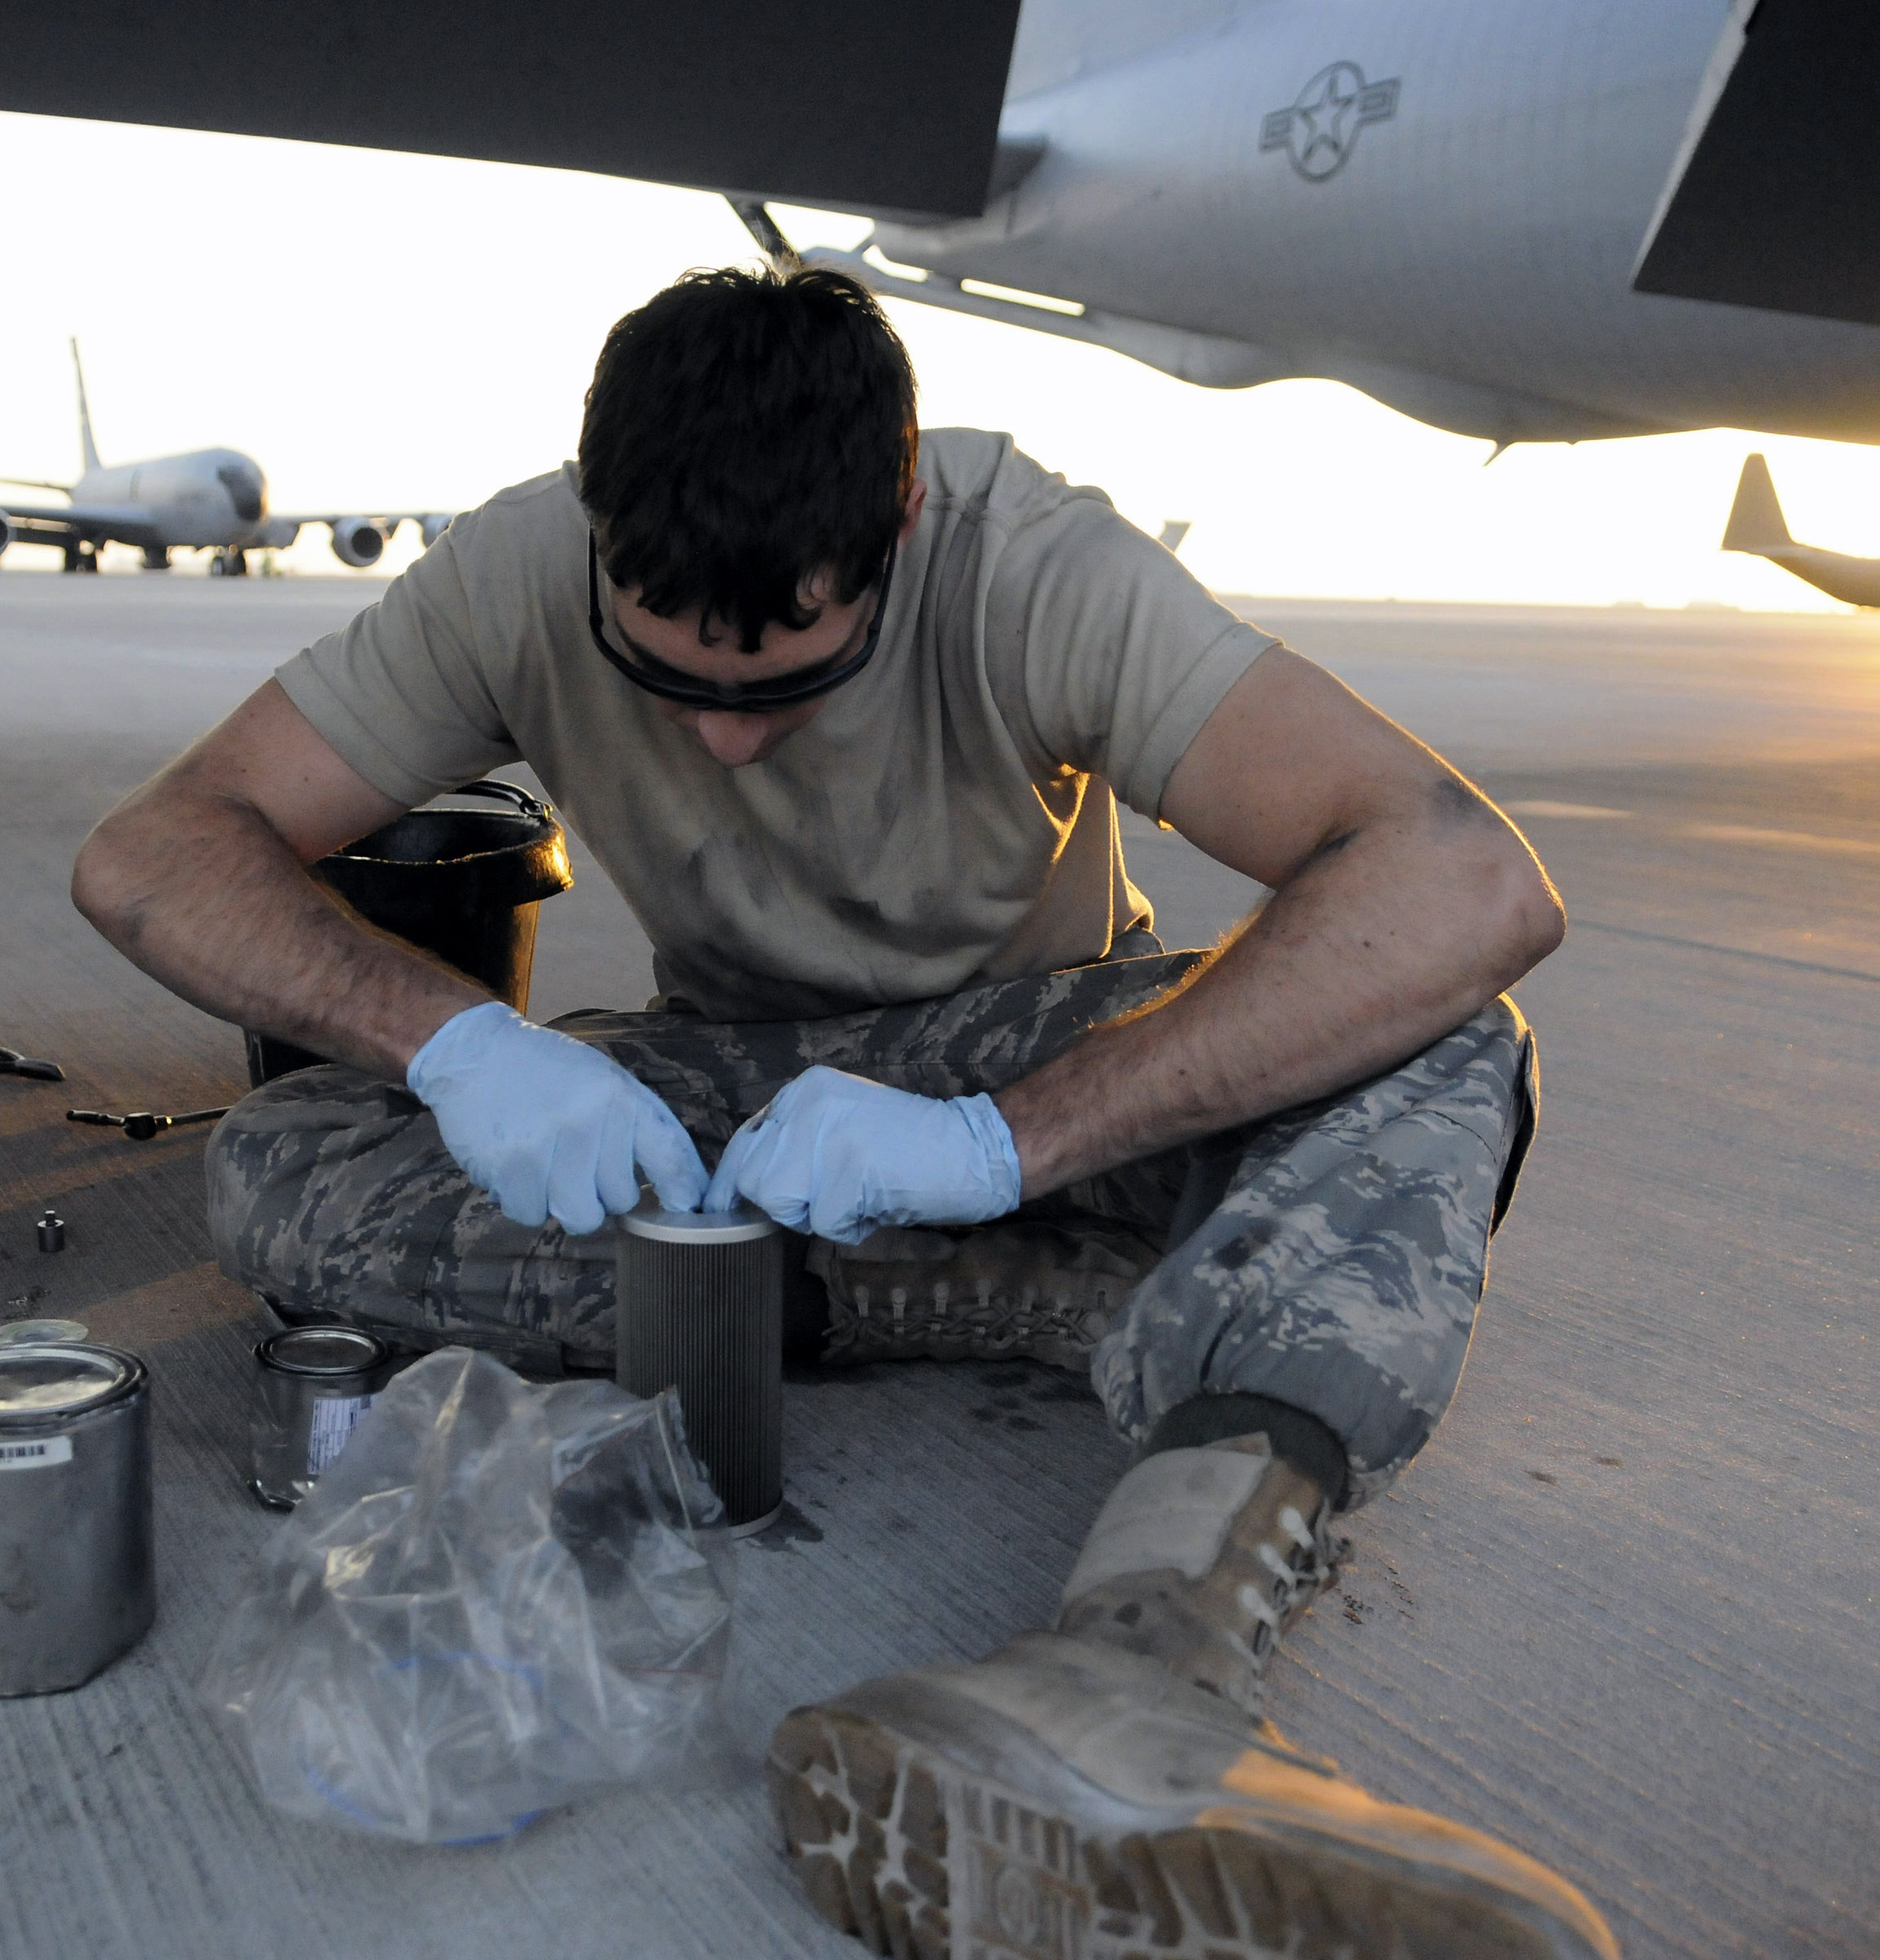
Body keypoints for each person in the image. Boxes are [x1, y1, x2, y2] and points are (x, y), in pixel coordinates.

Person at [73, 267, 1614, 1959]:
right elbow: (152, 850)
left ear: (897, 517)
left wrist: (999, 1141)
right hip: (737, 1085)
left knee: (1438, 1038)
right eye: (669, 680)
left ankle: (1137, 1670)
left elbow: (1456, 877)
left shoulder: (1027, 558)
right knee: (287, 1161)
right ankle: (1049, 1296)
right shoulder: (513, 568)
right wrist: (452, 1042)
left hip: (1019, 1052)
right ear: (598, 535)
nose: (728, 743)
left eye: (790, 680)